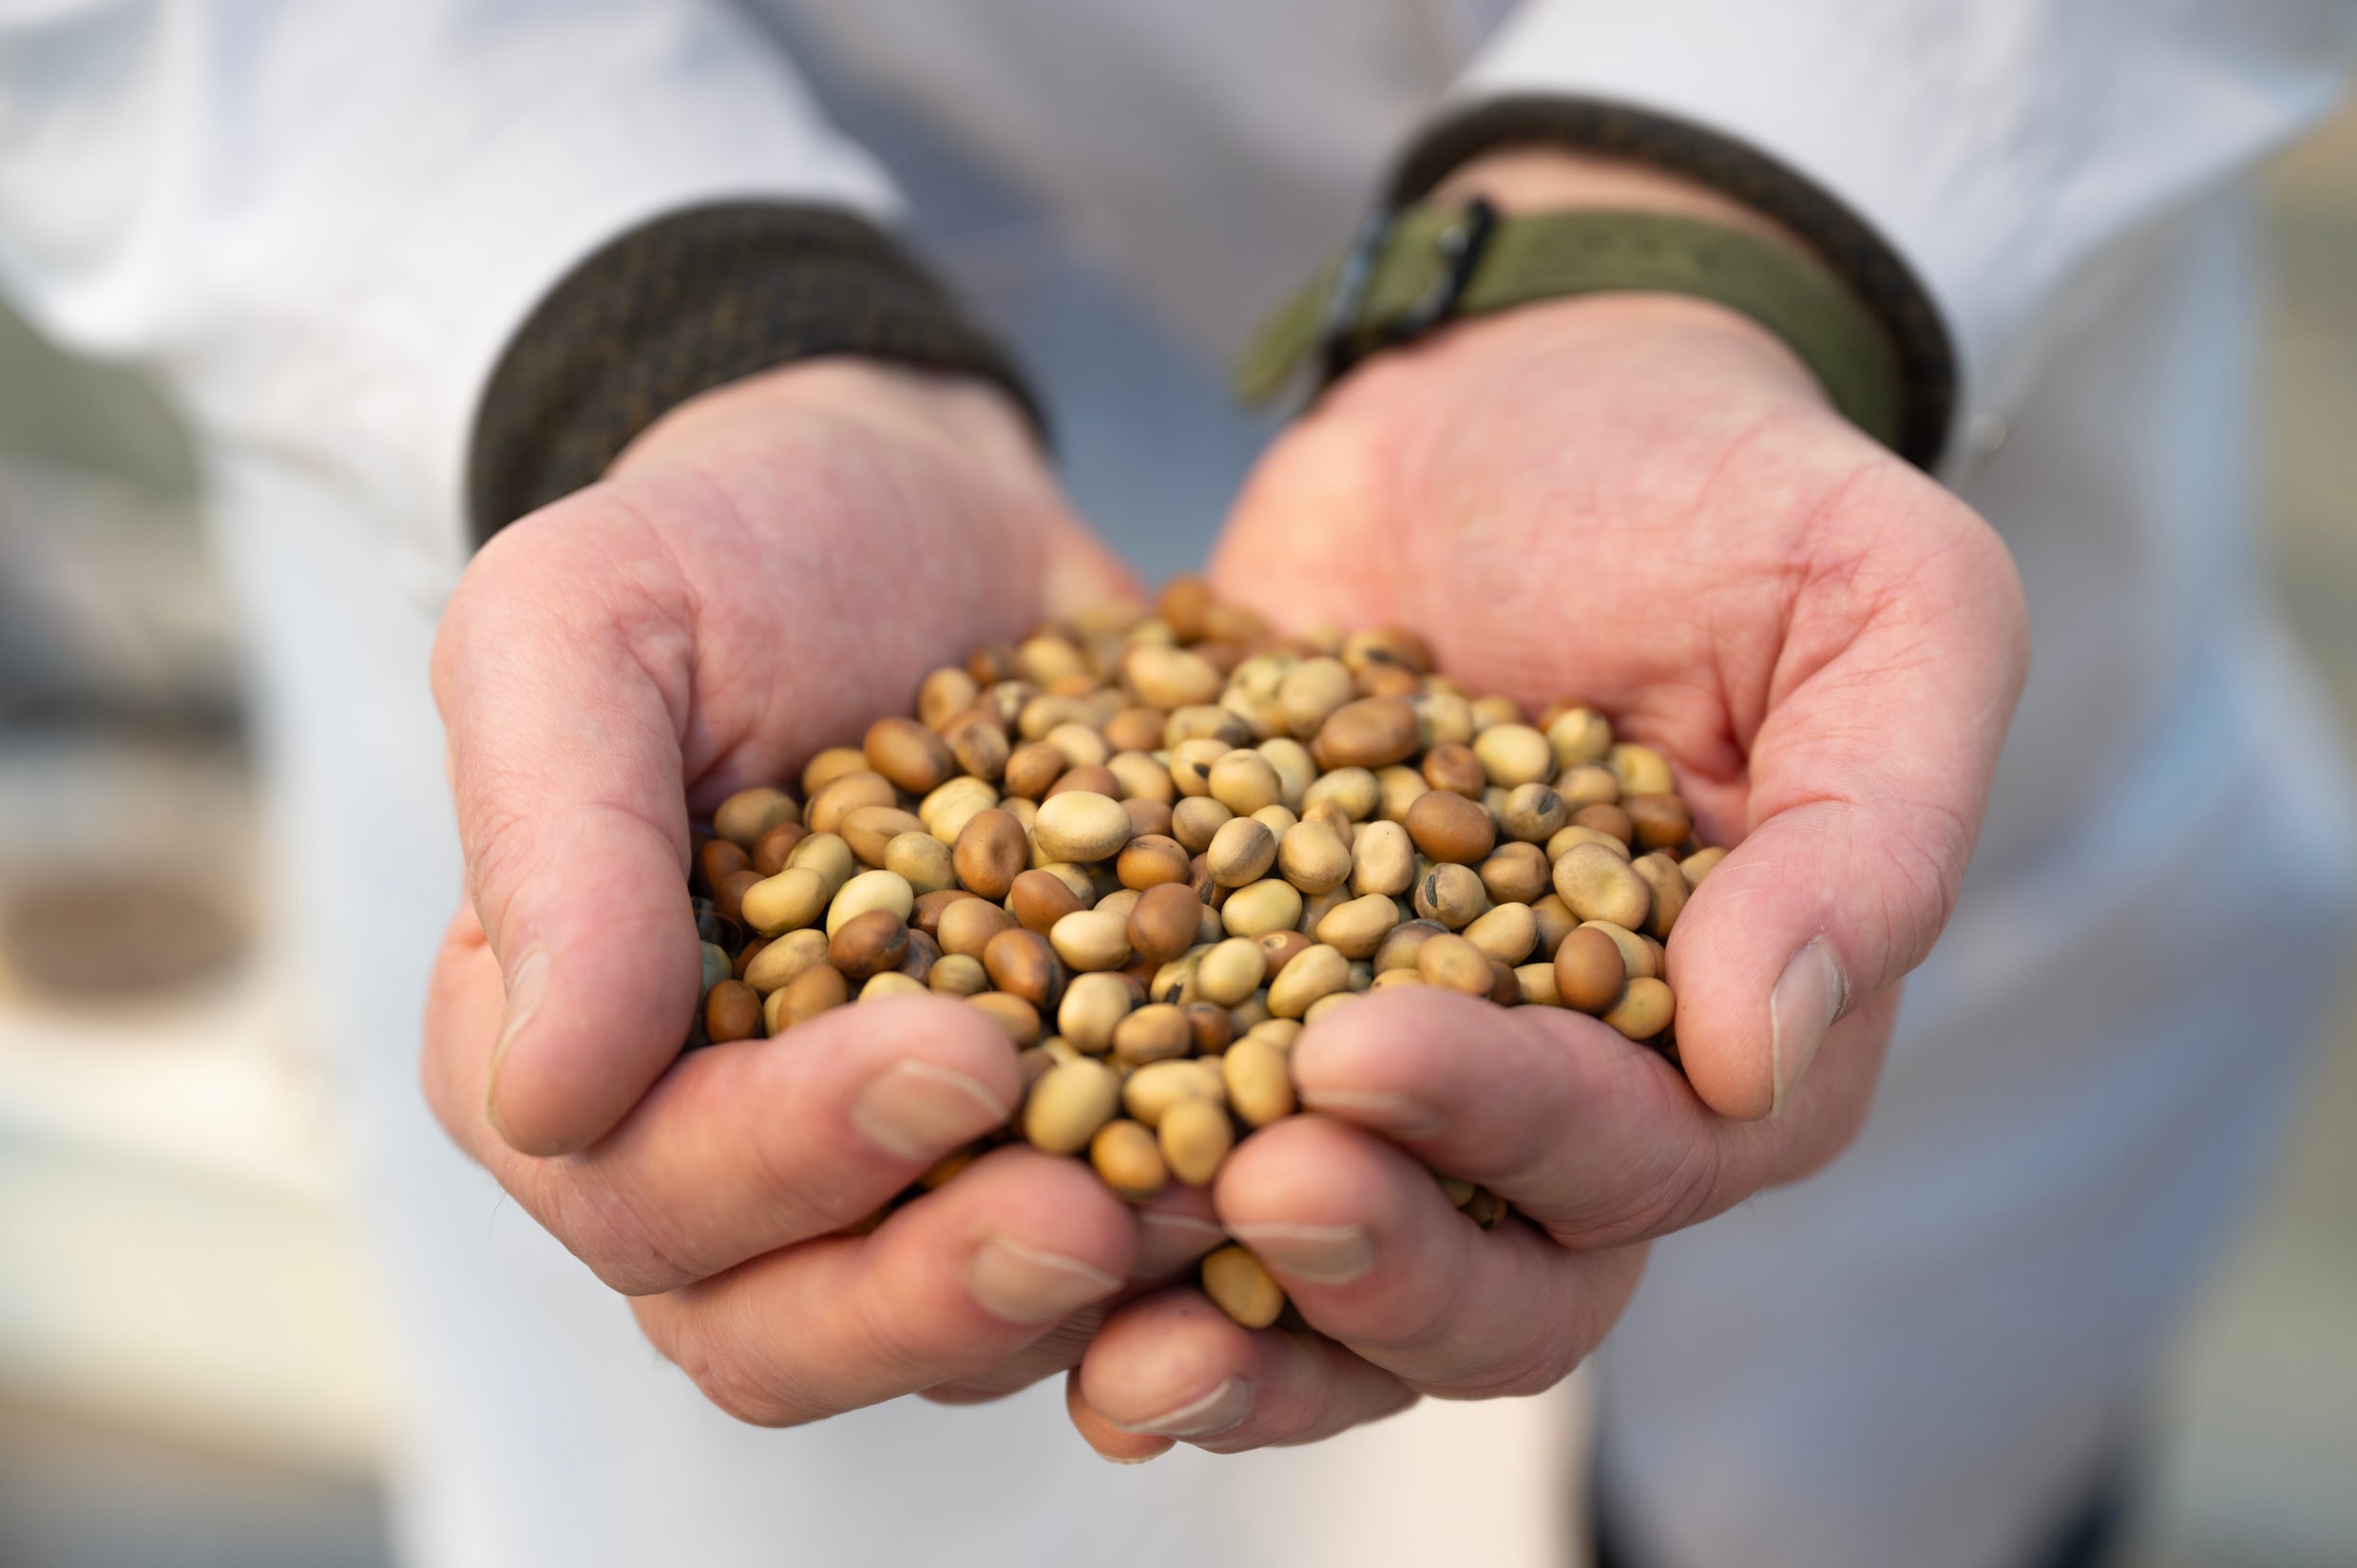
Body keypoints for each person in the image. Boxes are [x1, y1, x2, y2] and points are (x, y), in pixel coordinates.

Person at [4, 4, 2353, 1566]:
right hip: (636, 427)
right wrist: (656, 314)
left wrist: (1724, 212)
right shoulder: (966, 845)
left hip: (1857, 478)